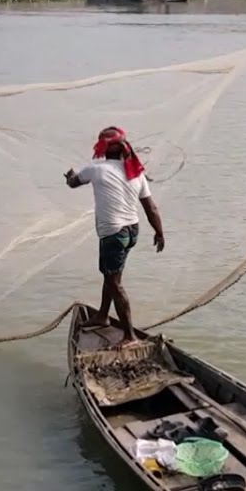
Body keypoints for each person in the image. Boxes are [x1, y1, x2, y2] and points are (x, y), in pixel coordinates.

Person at [64, 126, 165, 347]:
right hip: (131, 232)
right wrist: (159, 232)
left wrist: (70, 176)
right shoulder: (135, 172)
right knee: (112, 276)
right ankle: (102, 315)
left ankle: (129, 336)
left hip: (113, 234)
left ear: (102, 149)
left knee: (114, 282)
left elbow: (73, 183)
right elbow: (151, 208)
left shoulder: (96, 169)